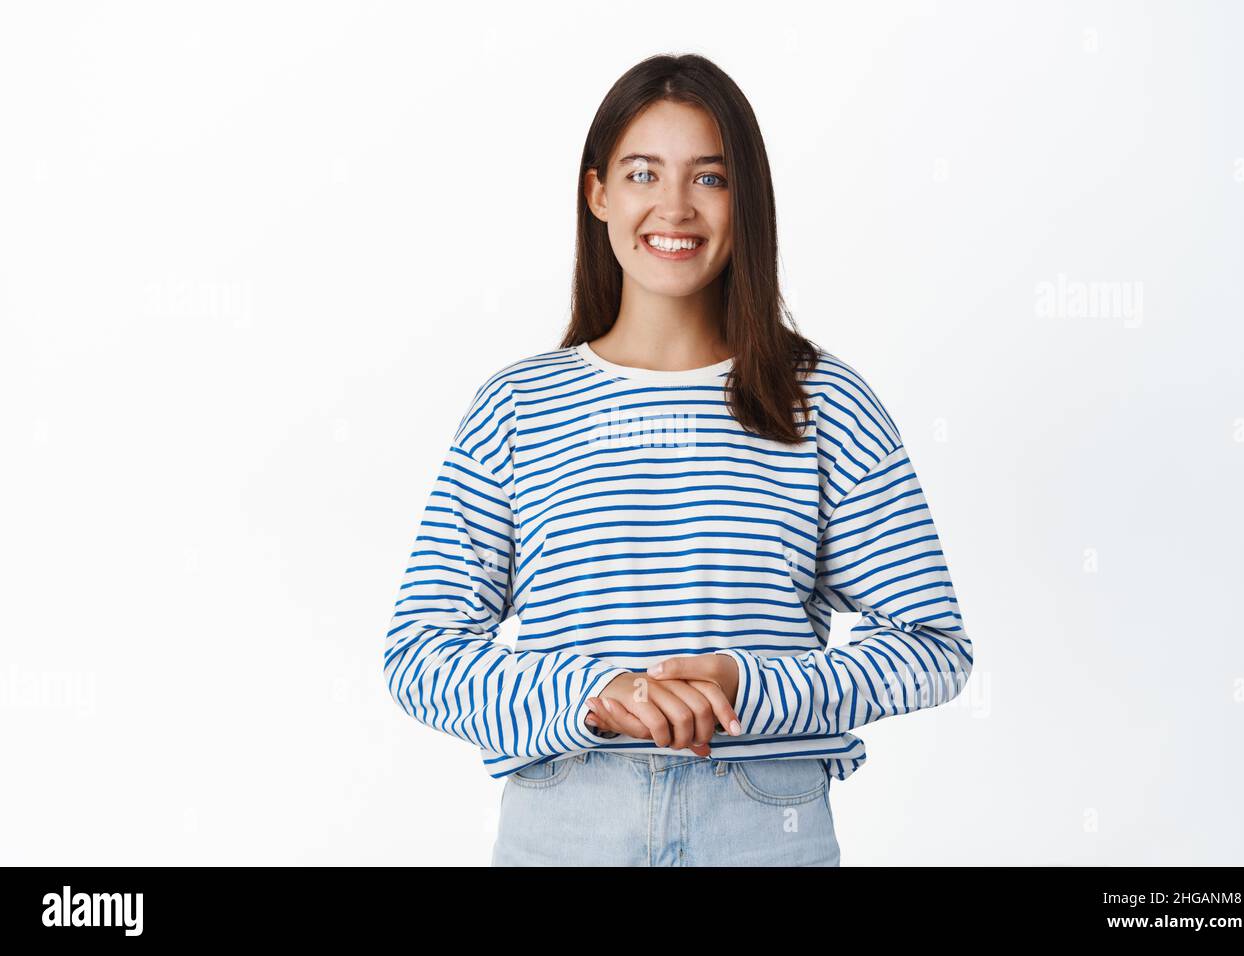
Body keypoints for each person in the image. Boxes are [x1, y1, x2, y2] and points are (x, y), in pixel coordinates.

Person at [382, 53, 973, 867]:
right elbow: (421, 651)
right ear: (598, 193)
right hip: (568, 823)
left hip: (763, 828)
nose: (674, 207)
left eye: (710, 178)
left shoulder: (821, 402)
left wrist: (747, 684)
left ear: (747, 201)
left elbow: (932, 645)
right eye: (642, 173)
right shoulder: (519, 407)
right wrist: (593, 696)